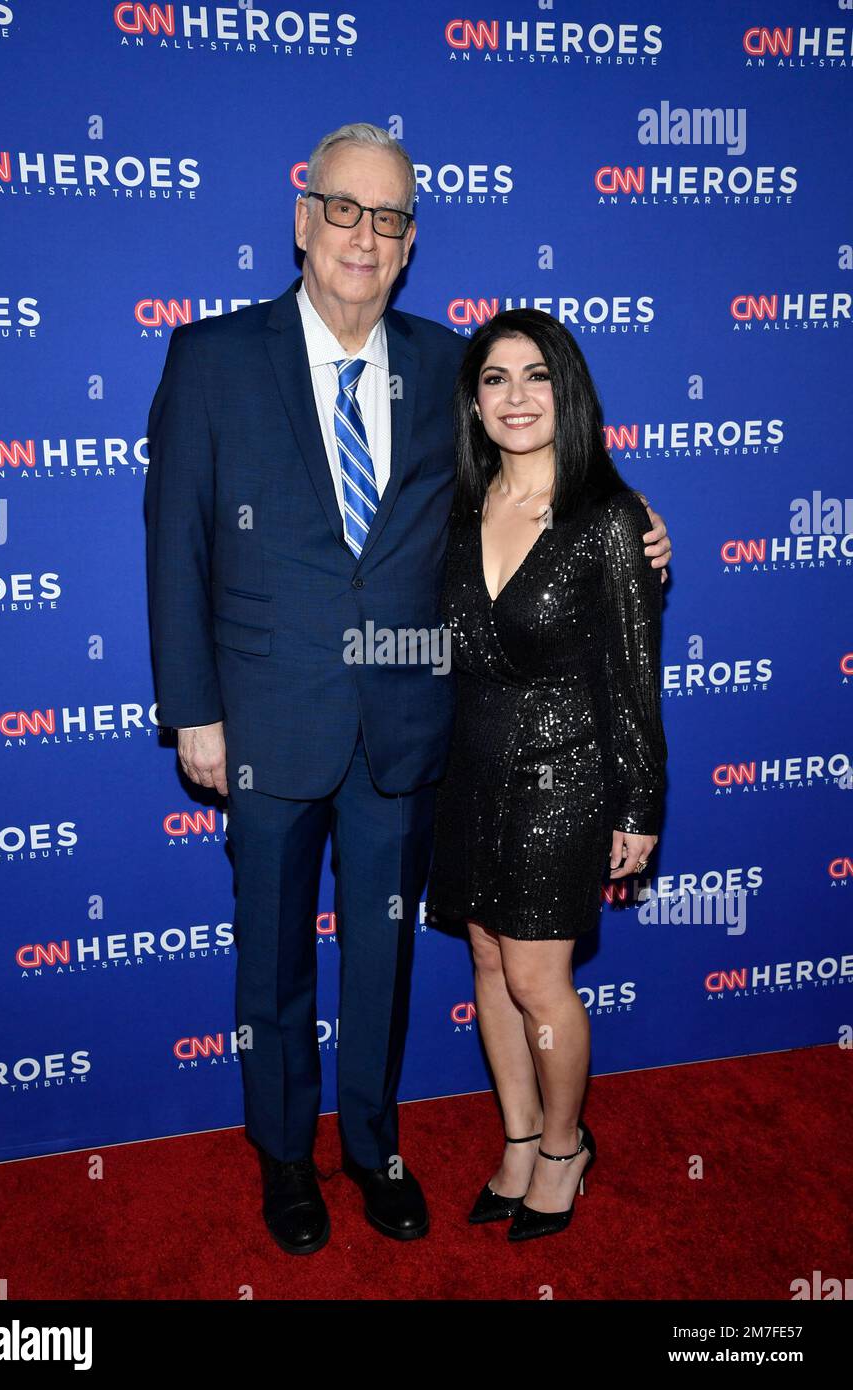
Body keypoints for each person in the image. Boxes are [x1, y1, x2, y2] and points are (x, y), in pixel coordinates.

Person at [144, 123, 672, 1256]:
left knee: (380, 961)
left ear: (411, 240)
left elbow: (540, 466)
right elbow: (175, 542)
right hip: (267, 722)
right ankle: (286, 1158)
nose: (363, 237)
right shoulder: (211, 357)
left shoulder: (445, 366)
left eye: (388, 219)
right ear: (302, 218)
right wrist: (194, 709)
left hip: (405, 726)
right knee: (272, 962)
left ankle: (373, 1147)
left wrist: (635, 528)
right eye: (344, 209)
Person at [425, 309, 668, 1242]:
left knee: (536, 976)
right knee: (485, 960)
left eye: (537, 377)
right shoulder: (457, 508)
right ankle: (520, 1138)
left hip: (564, 779)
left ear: (568, 392)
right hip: (468, 773)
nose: (516, 397)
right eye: (495, 379)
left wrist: (641, 804)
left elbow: (635, 680)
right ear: (474, 401)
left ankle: (567, 1147)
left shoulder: (611, 520)